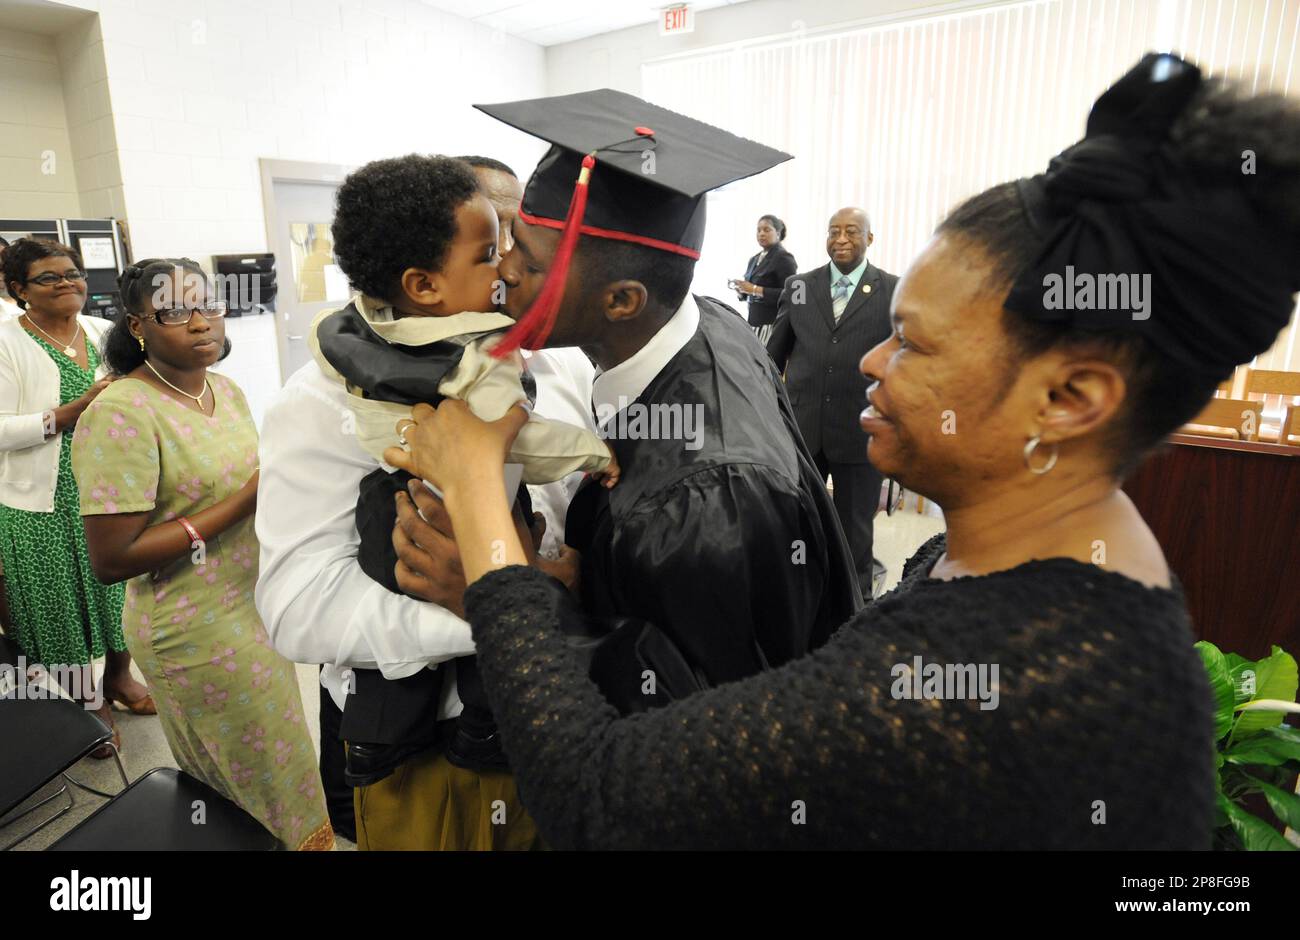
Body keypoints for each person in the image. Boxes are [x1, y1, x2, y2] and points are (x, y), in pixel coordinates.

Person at [386, 53, 1297, 849]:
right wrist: (582, 592)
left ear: (1067, 400)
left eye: (914, 345)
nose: (869, 360)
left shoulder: (1004, 678)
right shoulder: (1021, 564)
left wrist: (477, 514)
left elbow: (597, 796)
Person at [392, 89, 861, 717]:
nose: (500, 267)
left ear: (622, 302)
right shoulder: (709, 326)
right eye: (508, 242)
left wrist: (502, 594)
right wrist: (593, 580)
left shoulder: (711, 498)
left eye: (526, 262)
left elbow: (696, 732)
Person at [256, 154, 594, 851]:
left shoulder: (562, 365)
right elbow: (295, 609)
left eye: (516, 241)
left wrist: (577, 588)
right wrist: (495, 615)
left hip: (571, 718)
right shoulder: (324, 403)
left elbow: (571, 525)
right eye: (489, 244)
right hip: (428, 750)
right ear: (425, 281)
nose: (508, 266)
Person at [72, 259, 333, 850]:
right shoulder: (121, 412)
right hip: (192, 627)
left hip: (251, 605)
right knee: (246, 783)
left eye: (208, 305)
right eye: (174, 312)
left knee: (283, 763)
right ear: (138, 325)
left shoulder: (224, 389)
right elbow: (113, 559)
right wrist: (244, 502)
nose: (199, 323)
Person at [0, 238, 152, 757]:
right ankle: (87, 704)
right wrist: (67, 414)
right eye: (49, 277)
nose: (67, 283)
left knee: (116, 592)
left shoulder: (100, 332)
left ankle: (119, 678)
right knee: (57, 608)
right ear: (19, 290)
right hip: (36, 501)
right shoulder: (5, 341)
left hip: (100, 490)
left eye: (73, 273)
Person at [768, 207, 897, 596]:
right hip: (802, 429)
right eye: (834, 231)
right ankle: (798, 598)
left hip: (861, 431)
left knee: (855, 532)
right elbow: (773, 356)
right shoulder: (799, 286)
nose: (841, 239)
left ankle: (854, 607)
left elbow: (902, 364)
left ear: (869, 239)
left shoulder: (893, 290)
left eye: (852, 232)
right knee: (795, 522)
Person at [731, 214, 797, 345]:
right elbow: (749, 292)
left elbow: (791, 295)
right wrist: (742, 290)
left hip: (772, 325)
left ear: (778, 233)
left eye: (767, 230)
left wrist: (755, 289)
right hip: (754, 322)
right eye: (759, 230)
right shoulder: (754, 259)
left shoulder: (784, 258)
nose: (761, 234)